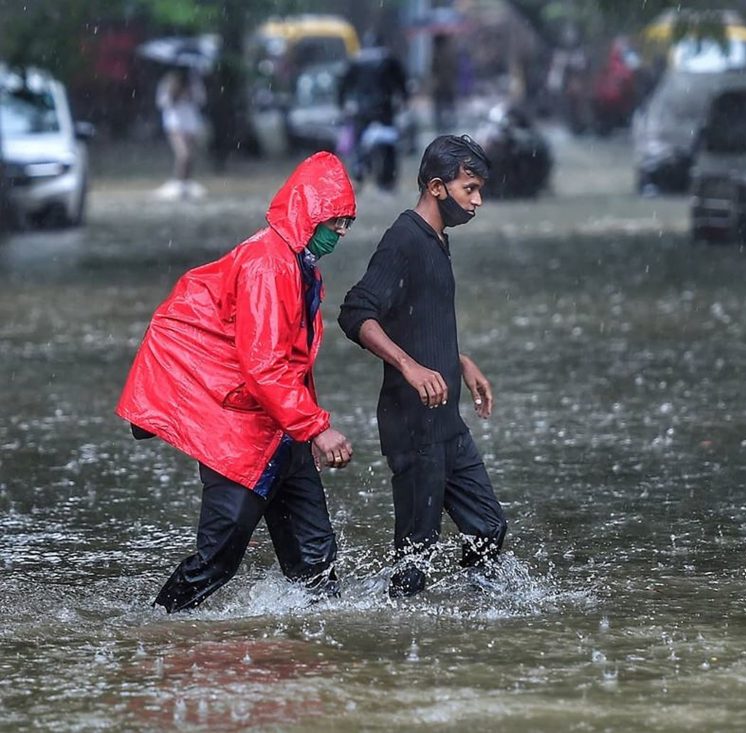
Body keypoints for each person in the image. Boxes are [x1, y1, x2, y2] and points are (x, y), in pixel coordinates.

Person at [117, 152, 358, 613]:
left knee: (316, 566)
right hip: (243, 439)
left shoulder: (296, 264)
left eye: (347, 221)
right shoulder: (270, 265)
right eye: (337, 221)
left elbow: (293, 361)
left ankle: (315, 660)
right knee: (217, 562)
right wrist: (317, 428)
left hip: (283, 433)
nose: (342, 232)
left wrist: (306, 428)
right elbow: (264, 366)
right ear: (309, 215)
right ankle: (151, 628)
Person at [338, 135, 508, 598]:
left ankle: (474, 617)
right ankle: (400, 643)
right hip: (412, 424)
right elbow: (356, 313)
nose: (477, 201)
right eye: (469, 189)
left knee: (489, 527)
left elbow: (416, 318)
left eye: (479, 190)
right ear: (436, 187)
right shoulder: (404, 239)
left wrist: (459, 360)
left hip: (446, 421)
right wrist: (410, 368)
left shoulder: (436, 240)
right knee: (416, 554)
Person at [337, 36, 408, 186]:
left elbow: (343, 84)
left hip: (362, 108)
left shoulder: (356, 60)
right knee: (388, 142)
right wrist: (403, 99)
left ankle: (360, 171)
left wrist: (342, 103)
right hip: (384, 107)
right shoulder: (388, 59)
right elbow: (401, 82)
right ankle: (387, 178)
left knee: (360, 142)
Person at [155, 66, 206, 200]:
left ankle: (186, 183)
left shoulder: (194, 82)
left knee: (190, 157)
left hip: (191, 124)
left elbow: (201, 99)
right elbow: (162, 103)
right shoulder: (167, 82)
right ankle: (178, 183)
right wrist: (174, 93)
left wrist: (189, 93)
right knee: (183, 154)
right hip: (174, 124)